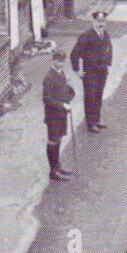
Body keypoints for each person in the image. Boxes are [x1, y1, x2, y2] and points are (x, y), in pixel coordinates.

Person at [71, 6, 113, 133]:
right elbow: (74, 53)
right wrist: (77, 70)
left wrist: (108, 64)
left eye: (103, 22)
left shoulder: (105, 35)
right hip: (90, 72)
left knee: (99, 96)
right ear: (93, 22)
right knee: (91, 97)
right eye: (99, 22)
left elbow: (109, 49)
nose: (101, 24)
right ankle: (91, 124)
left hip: (102, 71)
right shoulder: (86, 35)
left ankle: (97, 120)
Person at [42, 51, 75, 181]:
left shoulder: (61, 73)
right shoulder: (49, 78)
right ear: (53, 61)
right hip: (53, 116)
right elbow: (47, 99)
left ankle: (57, 166)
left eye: (63, 61)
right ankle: (53, 171)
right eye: (59, 61)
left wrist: (70, 91)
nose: (61, 63)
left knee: (59, 139)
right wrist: (63, 106)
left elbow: (64, 91)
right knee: (53, 141)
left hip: (61, 115)